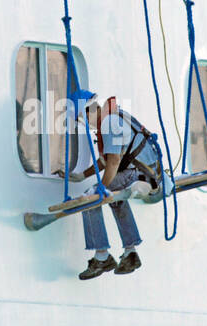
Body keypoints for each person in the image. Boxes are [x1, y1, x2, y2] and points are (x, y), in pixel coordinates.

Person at [58, 94, 161, 281]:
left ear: (88, 111)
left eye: (81, 119)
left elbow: (113, 162)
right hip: (145, 172)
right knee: (114, 194)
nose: (83, 124)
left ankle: (102, 256)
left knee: (89, 199)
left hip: (136, 174)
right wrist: (83, 175)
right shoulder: (113, 117)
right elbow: (107, 160)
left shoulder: (109, 124)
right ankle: (130, 252)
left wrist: (99, 189)